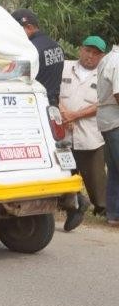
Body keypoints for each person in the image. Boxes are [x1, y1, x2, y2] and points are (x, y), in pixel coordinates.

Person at [59, 36, 108, 231]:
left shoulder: (105, 74)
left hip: (89, 135)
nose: (90, 56)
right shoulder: (63, 67)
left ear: (102, 56)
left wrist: (74, 115)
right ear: (80, 49)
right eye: (88, 51)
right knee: (63, 177)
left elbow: (105, 102)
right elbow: (51, 90)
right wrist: (63, 113)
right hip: (62, 134)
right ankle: (74, 206)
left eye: (96, 53)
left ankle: (102, 211)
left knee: (96, 181)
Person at [12, 9, 64, 106]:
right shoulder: (57, 46)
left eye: (16, 30)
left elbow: (17, 80)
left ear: (29, 27)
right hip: (52, 105)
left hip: (35, 105)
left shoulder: (30, 49)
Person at [95, 41, 119, 227]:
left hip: (107, 121)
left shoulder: (108, 58)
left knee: (114, 170)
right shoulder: (117, 60)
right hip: (115, 121)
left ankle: (113, 214)